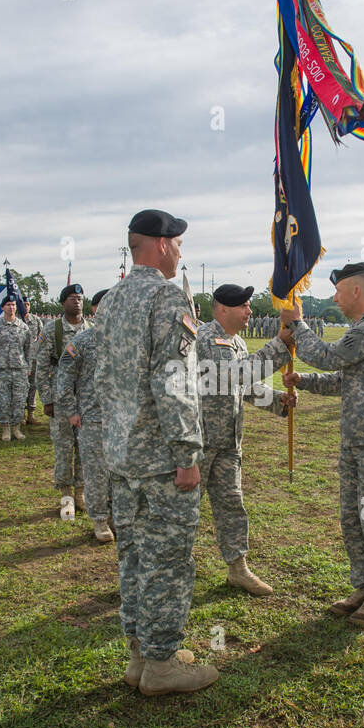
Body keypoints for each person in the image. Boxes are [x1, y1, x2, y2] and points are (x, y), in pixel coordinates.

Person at [94, 208, 216, 695]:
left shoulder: (112, 300)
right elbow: (173, 381)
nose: (182, 252)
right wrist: (186, 453)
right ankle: (163, 665)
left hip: (121, 455)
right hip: (161, 457)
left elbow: (105, 380)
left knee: (133, 555)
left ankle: (140, 655)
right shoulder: (167, 296)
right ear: (162, 245)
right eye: (180, 244)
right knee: (167, 557)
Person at [280, 260, 364, 626]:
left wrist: (296, 323)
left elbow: (329, 357)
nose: (334, 298)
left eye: (338, 291)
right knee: (353, 517)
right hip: (357, 441)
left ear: (356, 291)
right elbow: (344, 381)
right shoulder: (363, 331)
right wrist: (302, 380)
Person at [197, 284, 295, 596]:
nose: (250, 312)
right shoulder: (207, 339)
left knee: (232, 505)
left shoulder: (235, 342)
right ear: (223, 309)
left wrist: (279, 400)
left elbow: (246, 387)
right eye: (244, 306)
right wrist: (280, 344)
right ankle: (165, 571)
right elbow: (239, 374)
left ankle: (237, 569)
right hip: (197, 444)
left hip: (227, 442)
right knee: (182, 512)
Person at [55, 289, 114, 542]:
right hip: (91, 418)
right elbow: (64, 377)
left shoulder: (128, 341)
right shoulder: (81, 341)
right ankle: (100, 519)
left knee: (119, 471)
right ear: (95, 310)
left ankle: (116, 515)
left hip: (122, 419)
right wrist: (71, 411)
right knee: (96, 471)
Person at [39, 285, 92, 513]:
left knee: (84, 446)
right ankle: (66, 493)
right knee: (63, 446)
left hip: (86, 398)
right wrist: (47, 399)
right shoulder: (52, 330)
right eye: (72, 298)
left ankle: (81, 490)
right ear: (63, 303)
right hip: (61, 397)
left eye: (79, 298)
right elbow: (41, 366)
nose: (77, 302)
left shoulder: (92, 329)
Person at [0, 296, 31, 440]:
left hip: (19, 369)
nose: (11, 307)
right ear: (2, 308)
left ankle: (16, 428)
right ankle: (5, 429)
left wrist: (28, 366)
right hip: (1, 369)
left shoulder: (23, 327)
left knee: (19, 400)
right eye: (8, 305)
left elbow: (28, 348)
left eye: (13, 305)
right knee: (3, 401)